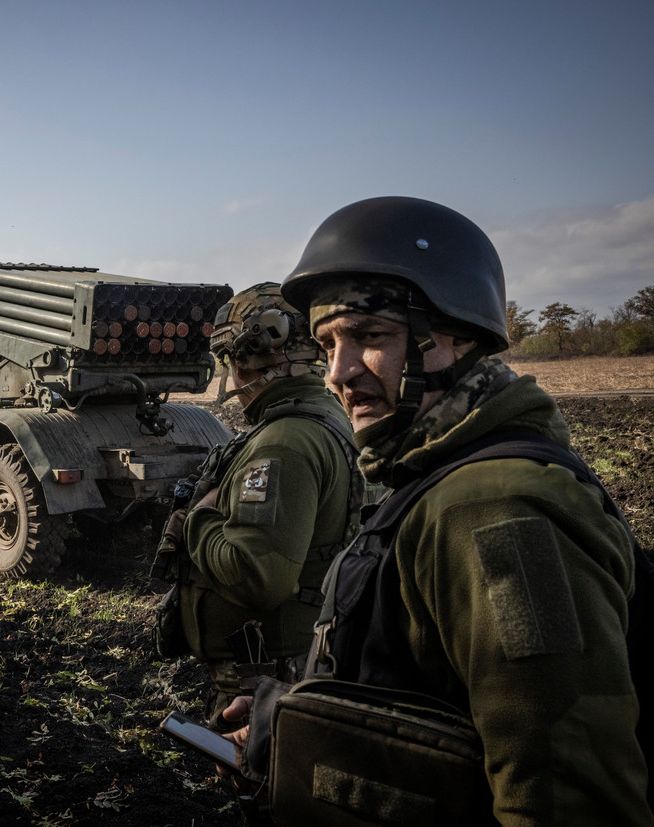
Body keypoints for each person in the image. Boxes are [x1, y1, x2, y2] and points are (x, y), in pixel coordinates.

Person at [224, 196, 651, 824]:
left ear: (456, 338)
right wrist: (285, 722)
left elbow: (565, 792)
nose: (339, 373)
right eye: (326, 345)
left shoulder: (498, 510)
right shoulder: (429, 477)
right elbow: (435, 708)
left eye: (370, 336)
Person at [165, 282, 362, 730]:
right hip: (290, 669)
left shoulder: (285, 443)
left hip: (263, 686)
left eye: (230, 358)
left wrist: (200, 520)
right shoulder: (326, 417)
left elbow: (258, 577)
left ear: (248, 355)